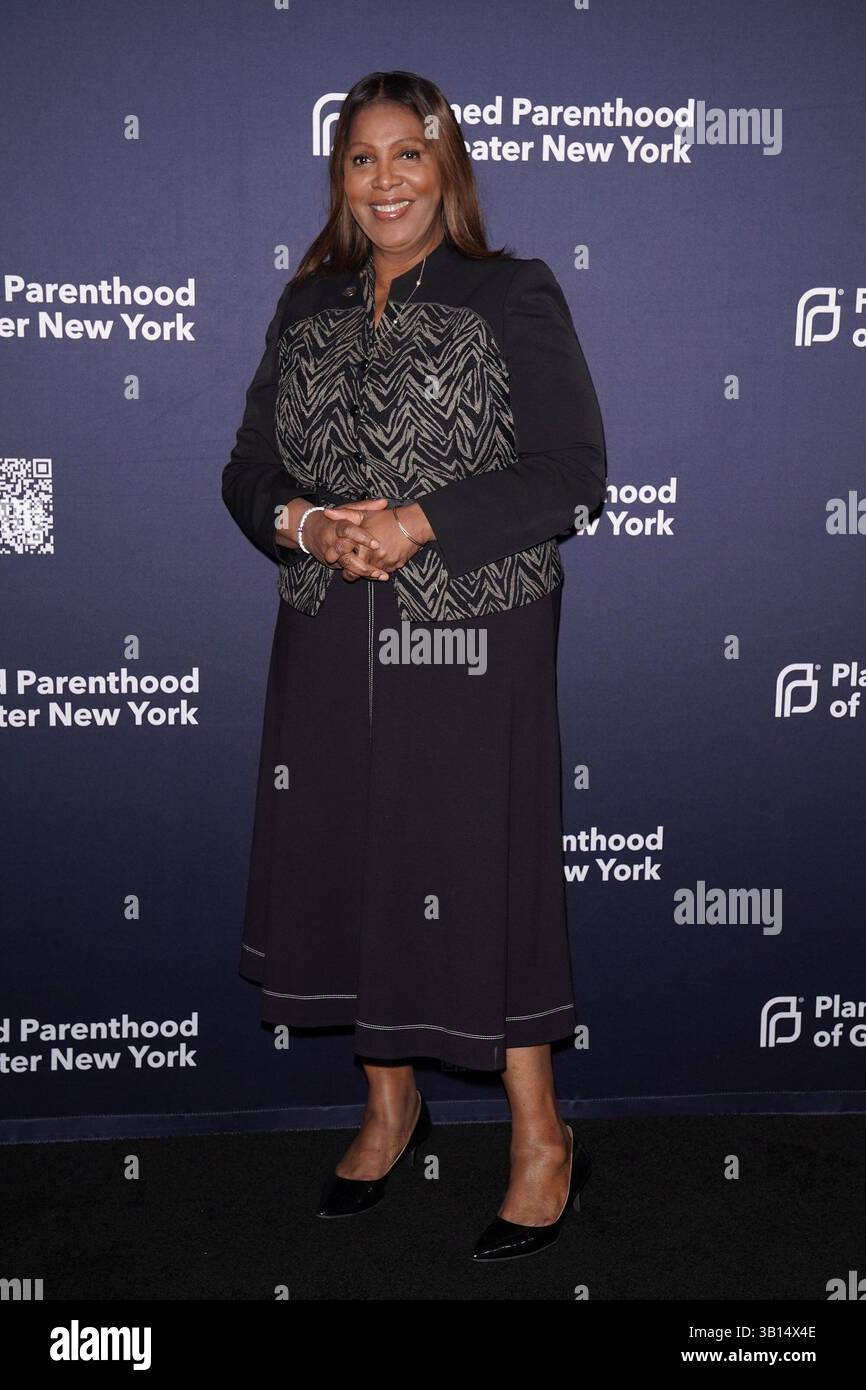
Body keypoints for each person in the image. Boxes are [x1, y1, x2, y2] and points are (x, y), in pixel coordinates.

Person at [222, 69, 607, 1261]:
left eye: (408, 154)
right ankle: (388, 1106)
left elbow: (570, 473)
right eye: (360, 158)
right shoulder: (308, 305)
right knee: (350, 855)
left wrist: (416, 519)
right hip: (330, 630)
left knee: (476, 866)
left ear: (446, 168)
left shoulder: (510, 292)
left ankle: (539, 1137)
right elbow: (247, 471)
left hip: (473, 634)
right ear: (337, 178)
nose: (384, 179)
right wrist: (307, 526)